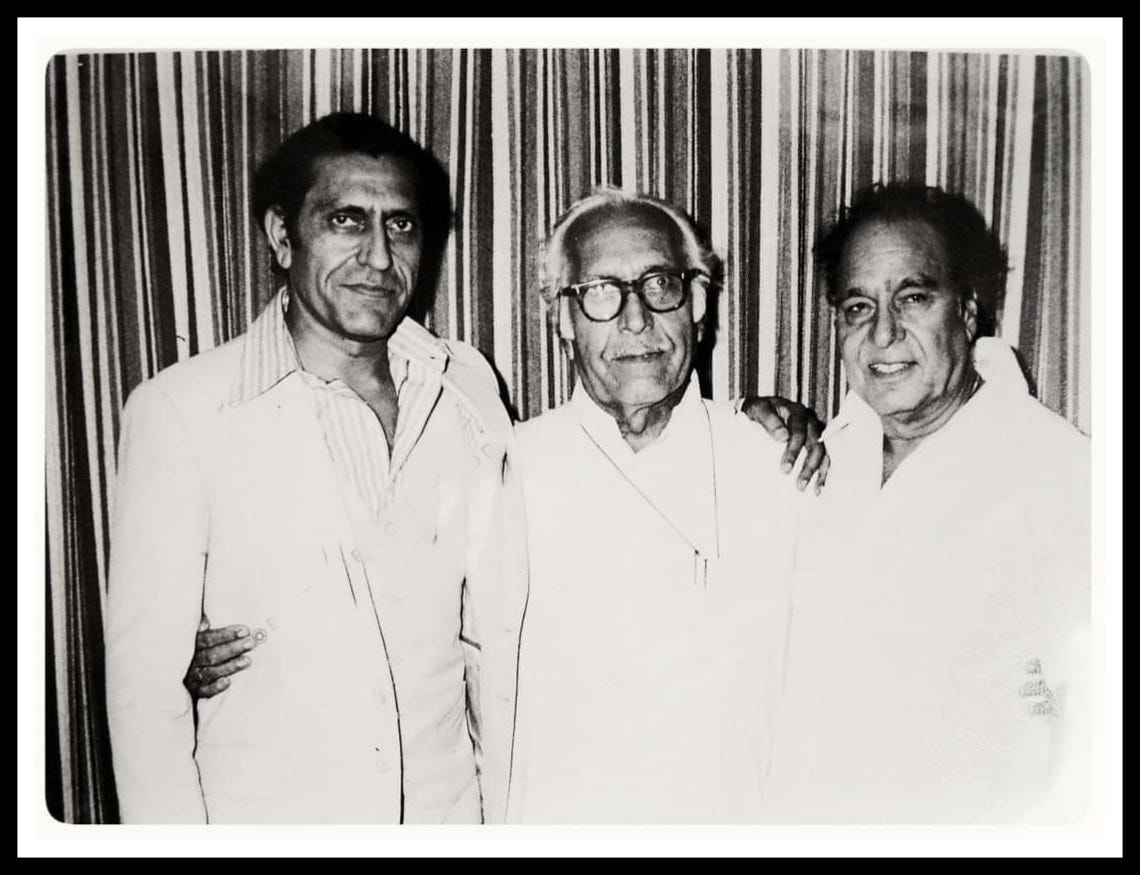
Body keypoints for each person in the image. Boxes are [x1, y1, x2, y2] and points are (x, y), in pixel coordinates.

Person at [105, 113, 529, 824]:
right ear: (281, 236)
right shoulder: (182, 410)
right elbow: (143, 698)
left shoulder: (466, 386)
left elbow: (499, 625)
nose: (379, 257)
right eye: (345, 220)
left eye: (401, 225)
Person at [761, 182, 1091, 823]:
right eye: (859, 306)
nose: (883, 332)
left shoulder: (1062, 478)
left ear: (966, 313)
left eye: (913, 297)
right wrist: (752, 417)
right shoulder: (822, 459)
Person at [504, 189, 806, 823]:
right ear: (563, 319)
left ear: (697, 305)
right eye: (601, 292)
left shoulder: (780, 465)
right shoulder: (505, 472)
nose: (636, 319)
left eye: (660, 285)